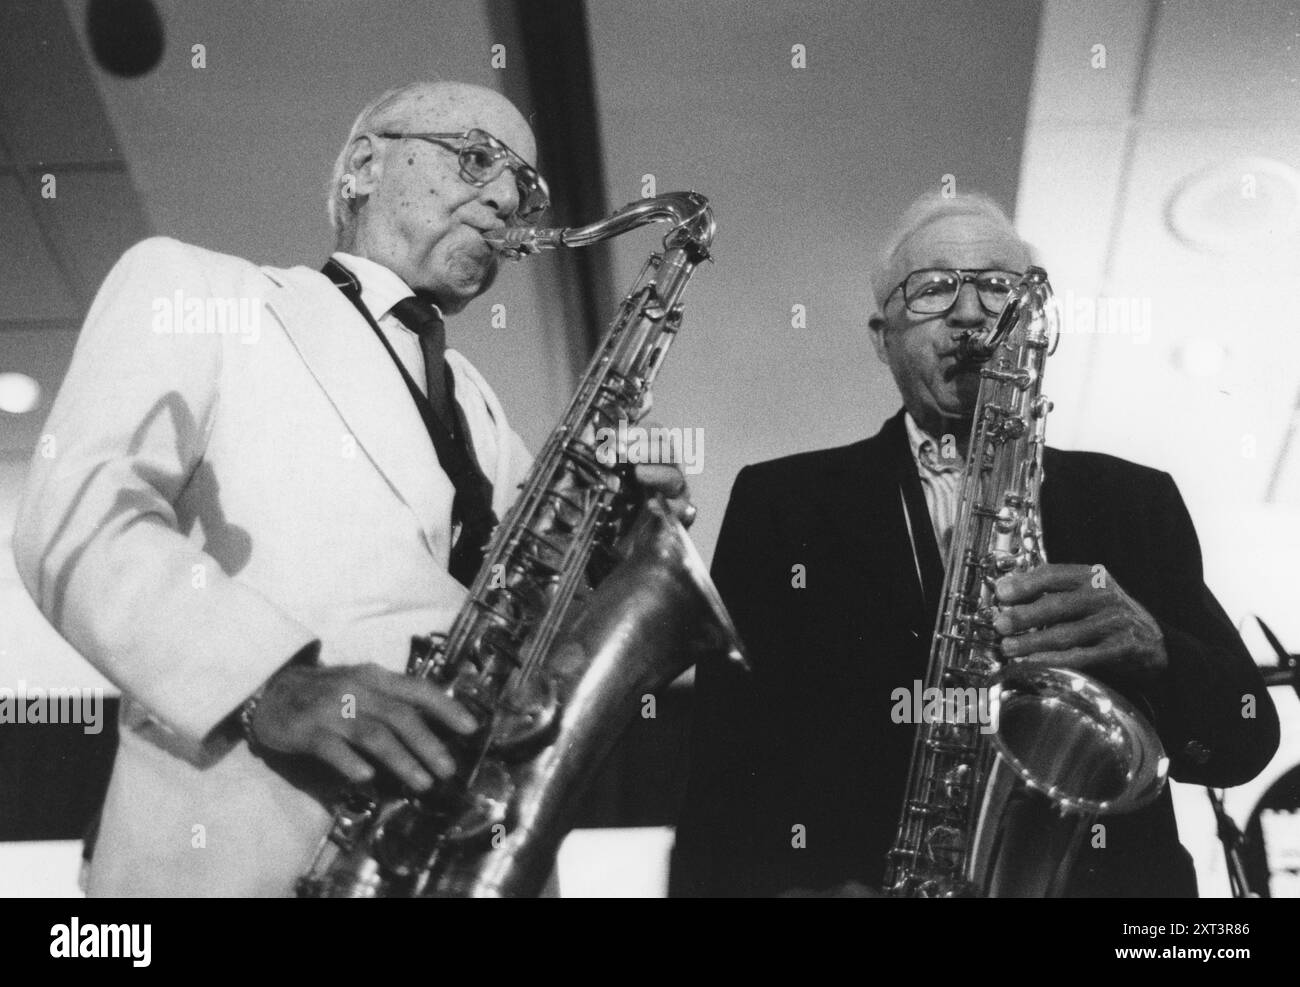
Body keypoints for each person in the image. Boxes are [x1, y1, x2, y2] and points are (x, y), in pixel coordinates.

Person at [13, 81, 689, 897]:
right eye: (479, 158)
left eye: (527, 186)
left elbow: (534, 632)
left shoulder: (487, 409)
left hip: (461, 861)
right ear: (366, 164)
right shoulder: (200, 289)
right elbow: (79, 514)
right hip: (243, 852)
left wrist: (614, 554)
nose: (508, 198)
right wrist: (270, 683)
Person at [671, 192, 1280, 897]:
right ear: (880, 336)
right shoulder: (783, 504)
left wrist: (1157, 648)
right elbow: (721, 768)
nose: (970, 311)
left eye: (999, 286)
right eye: (933, 288)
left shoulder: (1134, 501)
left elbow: (1244, 737)